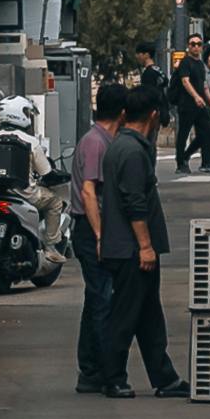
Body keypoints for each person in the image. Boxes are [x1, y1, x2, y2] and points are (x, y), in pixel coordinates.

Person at [96, 77, 194, 399]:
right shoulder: (133, 153)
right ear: (153, 115)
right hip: (131, 250)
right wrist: (146, 246)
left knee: (149, 315)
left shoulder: (121, 147)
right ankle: (112, 377)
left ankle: (164, 377)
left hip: (126, 247)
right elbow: (134, 202)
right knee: (125, 316)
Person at [69, 82, 124, 396]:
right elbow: (89, 191)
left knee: (95, 300)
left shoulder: (101, 139)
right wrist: (102, 234)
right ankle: (105, 372)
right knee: (103, 300)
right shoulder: (96, 143)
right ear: (122, 112)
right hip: (91, 231)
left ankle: (90, 370)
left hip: (92, 230)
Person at [169, 31, 210, 176]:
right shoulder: (185, 62)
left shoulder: (201, 64)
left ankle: (189, 156)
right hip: (187, 104)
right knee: (183, 133)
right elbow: (185, 81)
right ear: (188, 46)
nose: (196, 47)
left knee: (206, 132)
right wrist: (196, 96)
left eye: (199, 44)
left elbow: (203, 84)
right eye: (193, 44)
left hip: (201, 105)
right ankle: (180, 163)